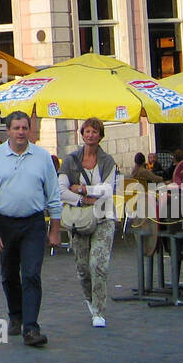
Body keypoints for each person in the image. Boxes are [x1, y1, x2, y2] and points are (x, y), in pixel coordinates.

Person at [0, 112, 62, 347]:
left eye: (25, 127)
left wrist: (55, 229)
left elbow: (54, 195)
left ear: (30, 131)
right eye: (16, 128)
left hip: (33, 223)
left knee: (31, 274)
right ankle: (15, 315)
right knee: (8, 274)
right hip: (5, 222)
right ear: (8, 131)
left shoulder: (42, 157)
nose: (21, 132)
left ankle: (32, 328)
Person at [59, 117, 119, 329]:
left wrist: (82, 188)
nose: (90, 135)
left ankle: (99, 312)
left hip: (104, 217)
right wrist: (84, 199)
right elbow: (61, 190)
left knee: (98, 265)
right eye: (87, 131)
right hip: (79, 218)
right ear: (82, 134)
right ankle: (91, 301)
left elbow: (107, 190)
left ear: (101, 135)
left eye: (95, 131)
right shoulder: (70, 160)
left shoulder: (108, 161)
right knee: (83, 268)